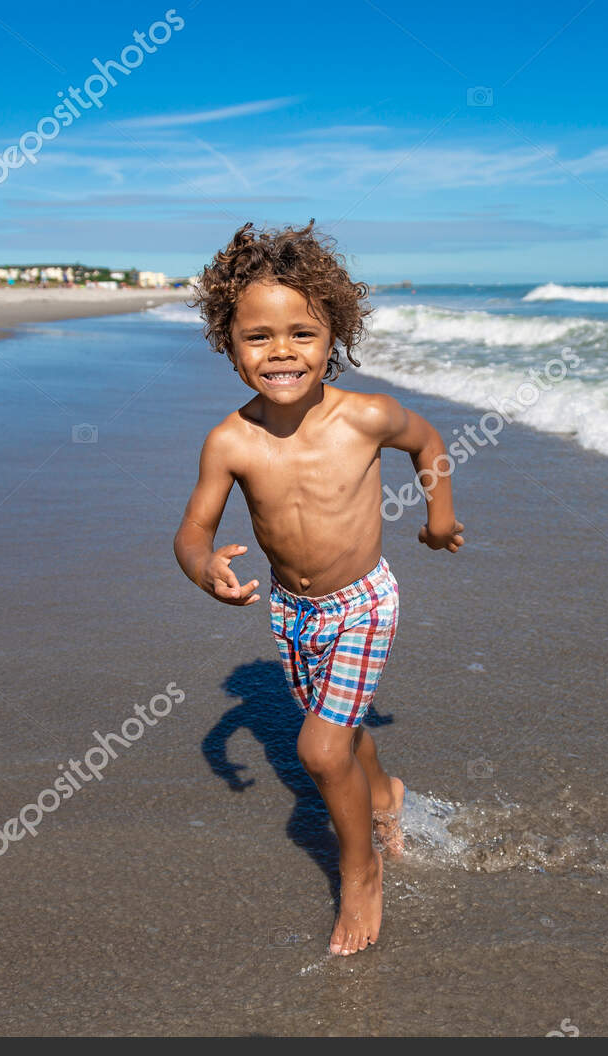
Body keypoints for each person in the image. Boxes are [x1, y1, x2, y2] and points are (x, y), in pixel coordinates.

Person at [174, 222, 464, 956]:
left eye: (302, 332)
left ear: (334, 331)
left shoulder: (365, 417)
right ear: (228, 342)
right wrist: (205, 567)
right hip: (293, 614)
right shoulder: (230, 441)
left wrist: (440, 517)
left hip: (365, 602)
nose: (280, 352)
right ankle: (388, 795)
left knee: (319, 749)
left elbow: (429, 443)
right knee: (342, 734)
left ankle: (359, 871)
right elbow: (191, 532)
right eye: (258, 336)